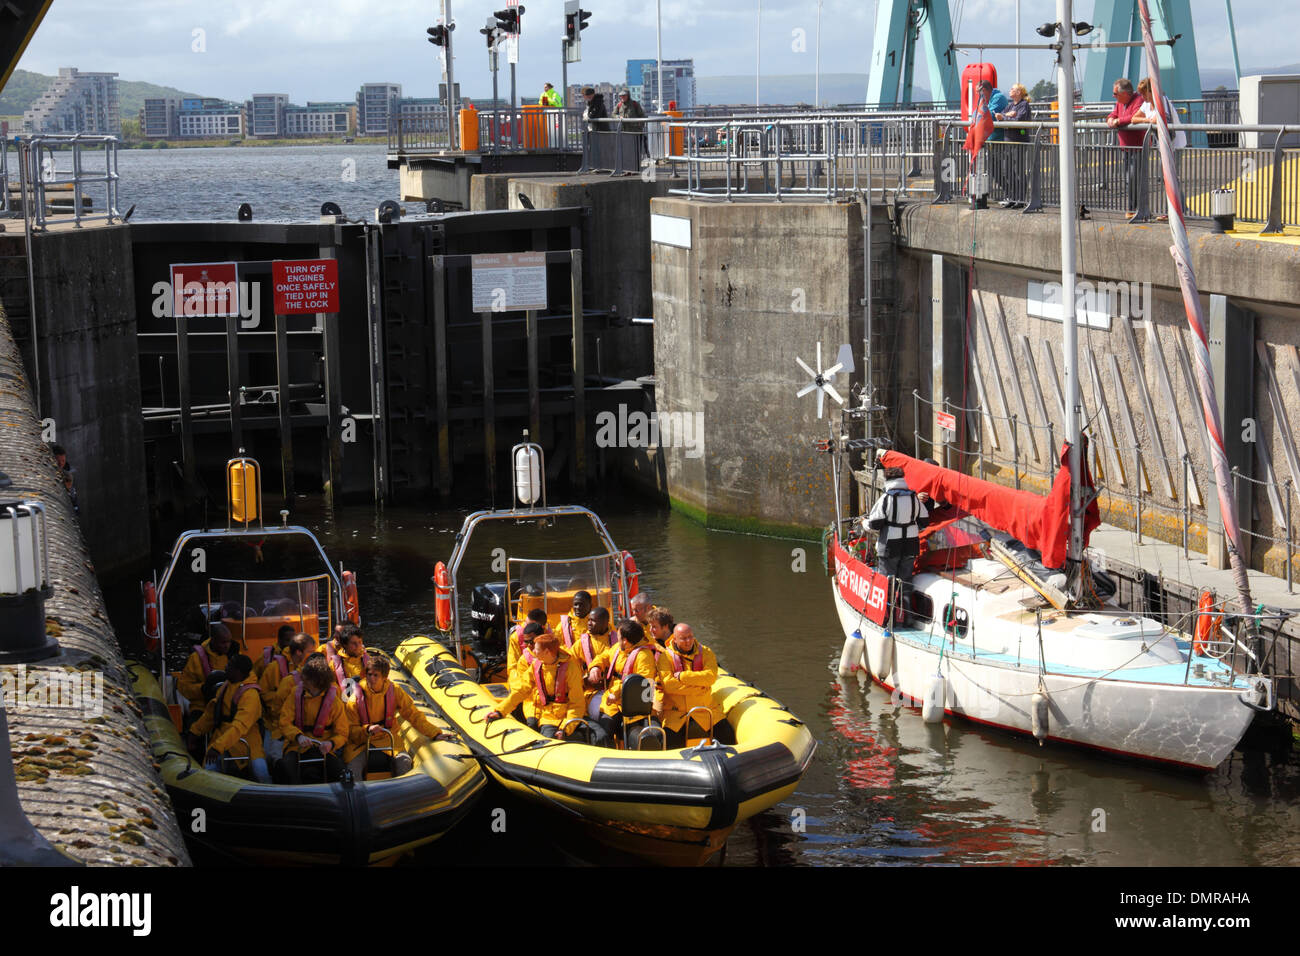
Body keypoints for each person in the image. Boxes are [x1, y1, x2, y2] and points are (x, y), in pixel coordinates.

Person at [344, 653, 450, 778]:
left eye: (375, 675)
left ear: (384, 677)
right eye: (369, 674)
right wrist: (367, 730)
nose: (371, 678)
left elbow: (412, 714)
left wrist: (435, 733)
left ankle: (404, 792)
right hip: (360, 744)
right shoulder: (355, 699)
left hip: (388, 739)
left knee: (404, 762)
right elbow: (350, 730)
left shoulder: (395, 691)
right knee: (352, 769)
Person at [487, 631, 586, 740]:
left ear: (547, 652)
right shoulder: (536, 666)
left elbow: (577, 703)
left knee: (599, 735)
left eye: (536, 649)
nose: (533, 651)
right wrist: (500, 711)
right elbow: (521, 690)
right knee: (544, 734)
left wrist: (566, 728)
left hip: (567, 717)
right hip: (549, 716)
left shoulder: (570, 668)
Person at [865, 466, 930, 625]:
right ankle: (907, 618)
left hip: (890, 545)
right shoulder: (914, 498)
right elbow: (924, 521)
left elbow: (874, 524)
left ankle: (886, 619)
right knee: (906, 580)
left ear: (887, 479)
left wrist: (863, 523)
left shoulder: (886, 498)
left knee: (887, 581)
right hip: (910, 544)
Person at [192, 654, 272, 783]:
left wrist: (217, 747)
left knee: (260, 772)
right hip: (222, 736)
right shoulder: (226, 686)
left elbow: (239, 726)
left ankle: (270, 792)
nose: (225, 667)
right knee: (209, 769)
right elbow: (211, 714)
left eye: (230, 666)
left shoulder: (251, 695)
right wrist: (195, 732)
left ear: (239, 672)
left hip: (247, 741)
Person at [587, 620, 662, 748]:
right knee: (605, 729)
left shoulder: (644, 656)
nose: (617, 639)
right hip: (613, 702)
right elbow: (604, 656)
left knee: (635, 731)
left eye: (619, 637)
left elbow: (642, 684)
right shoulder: (618, 648)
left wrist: (616, 693)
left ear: (626, 641)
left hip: (633, 704)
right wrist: (596, 667)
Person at [275, 654, 347, 784]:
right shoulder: (295, 694)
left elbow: (342, 733)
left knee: (340, 772)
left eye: (307, 678)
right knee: (285, 768)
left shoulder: (335, 703)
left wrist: (331, 743)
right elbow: (284, 722)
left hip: (323, 749)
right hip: (296, 746)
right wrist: (298, 737)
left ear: (317, 681)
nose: (303, 679)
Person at [657, 624, 731, 748]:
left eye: (690, 637)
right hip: (677, 714)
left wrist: (682, 677)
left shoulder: (706, 652)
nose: (688, 641)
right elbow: (669, 686)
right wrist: (699, 687)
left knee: (728, 735)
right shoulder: (665, 657)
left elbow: (711, 677)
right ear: (674, 639)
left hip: (705, 710)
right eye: (683, 638)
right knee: (666, 744)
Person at [1133, 76, 1186, 220]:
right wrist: (1148, 120)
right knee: (1167, 177)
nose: (1142, 97)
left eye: (1144, 93)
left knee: (1170, 178)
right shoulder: (1147, 104)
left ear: (1151, 91)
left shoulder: (1162, 101)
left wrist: (1149, 120)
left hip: (1174, 144)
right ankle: (1179, 208)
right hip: (1163, 145)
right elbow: (1134, 118)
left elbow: (1161, 119)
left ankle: (1175, 211)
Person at [261, 632, 316, 758]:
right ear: (298, 652)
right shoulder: (273, 668)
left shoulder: (311, 670)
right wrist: (285, 700)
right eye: (310, 651)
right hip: (276, 724)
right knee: (274, 758)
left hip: (303, 727)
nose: (313, 655)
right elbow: (262, 694)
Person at [1106, 78, 1147, 217]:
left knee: (1134, 178)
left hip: (1137, 147)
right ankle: (1134, 208)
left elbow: (1133, 117)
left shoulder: (1138, 101)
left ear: (1125, 94)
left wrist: (1118, 121)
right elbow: (1113, 114)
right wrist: (1111, 119)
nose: (1114, 96)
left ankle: (1134, 208)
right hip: (1126, 147)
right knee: (1129, 178)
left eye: (1115, 93)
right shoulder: (1120, 103)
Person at [178, 623, 238, 716]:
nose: (227, 646)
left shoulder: (235, 656)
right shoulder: (196, 658)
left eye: (229, 642)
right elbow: (183, 687)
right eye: (223, 642)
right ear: (213, 640)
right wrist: (202, 689)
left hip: (228, 705)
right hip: (202, 706)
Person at [995, 83, 1032, 207]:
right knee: (1009, 170)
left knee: (1019, 170)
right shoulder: (1010, 105)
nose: (1010, 90)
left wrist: (1005, 117)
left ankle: (1021, 199)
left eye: (1013, 89)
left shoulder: (1024, 105)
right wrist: (1007, 116)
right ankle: (1013, 197)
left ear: (1019, 92)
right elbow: (999, 116)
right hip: (1008, 141)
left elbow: (1019, 120)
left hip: (1019, 141)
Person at [50, 444, 77, 513]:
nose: (61, 464)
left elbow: (73, 497)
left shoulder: (68, 474)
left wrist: (68, 486)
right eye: (58, 461)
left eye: (63, 461)